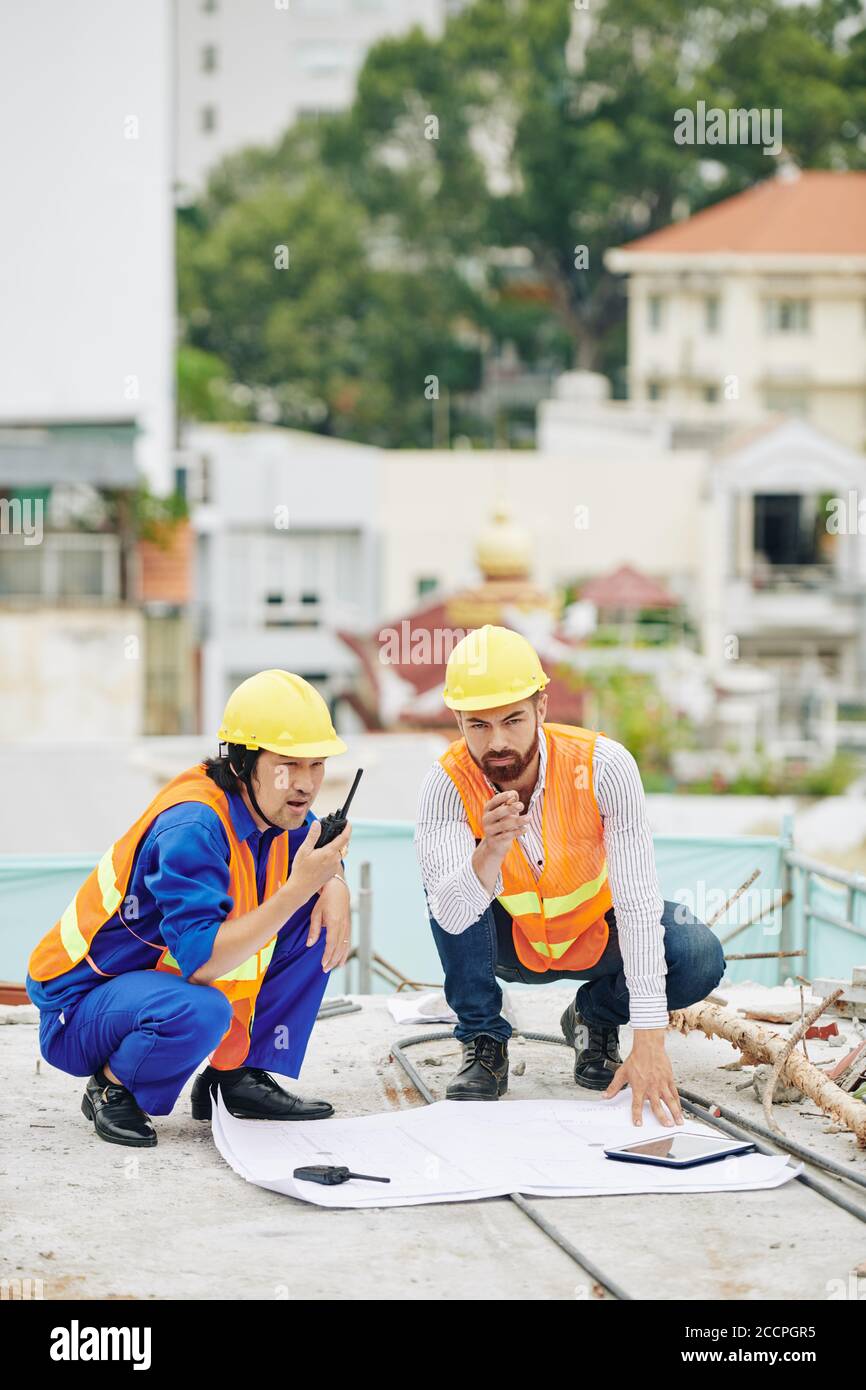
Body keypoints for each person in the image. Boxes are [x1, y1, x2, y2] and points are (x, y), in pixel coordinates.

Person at [26, 669, 353, 1147]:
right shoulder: (193, 828)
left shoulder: (273, 809)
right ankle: (113, 1088)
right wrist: (298, 890)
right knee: (202, 1008)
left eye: (316, 764)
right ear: (243, 763)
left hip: (147, 988)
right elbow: (202, 964)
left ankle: (235, 1076)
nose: (304, 784)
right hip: (79, 1009)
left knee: (316, 916)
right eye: (287, 765)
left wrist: (336, 882)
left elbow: (317, 841)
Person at [414, 625, 725, 1126]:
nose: (497, 744)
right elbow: (450, 914)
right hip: (510, 945)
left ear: (541, 707)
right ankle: (483, 1039)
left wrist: (649, 1041)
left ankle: (594, 1017)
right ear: (458, 721)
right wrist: (488, 852)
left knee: (697, 953)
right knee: (447, 883)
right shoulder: (446, 784)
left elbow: (638, 900)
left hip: (594, 935)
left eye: (512, 720)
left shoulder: (604, 765)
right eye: (478, 726)